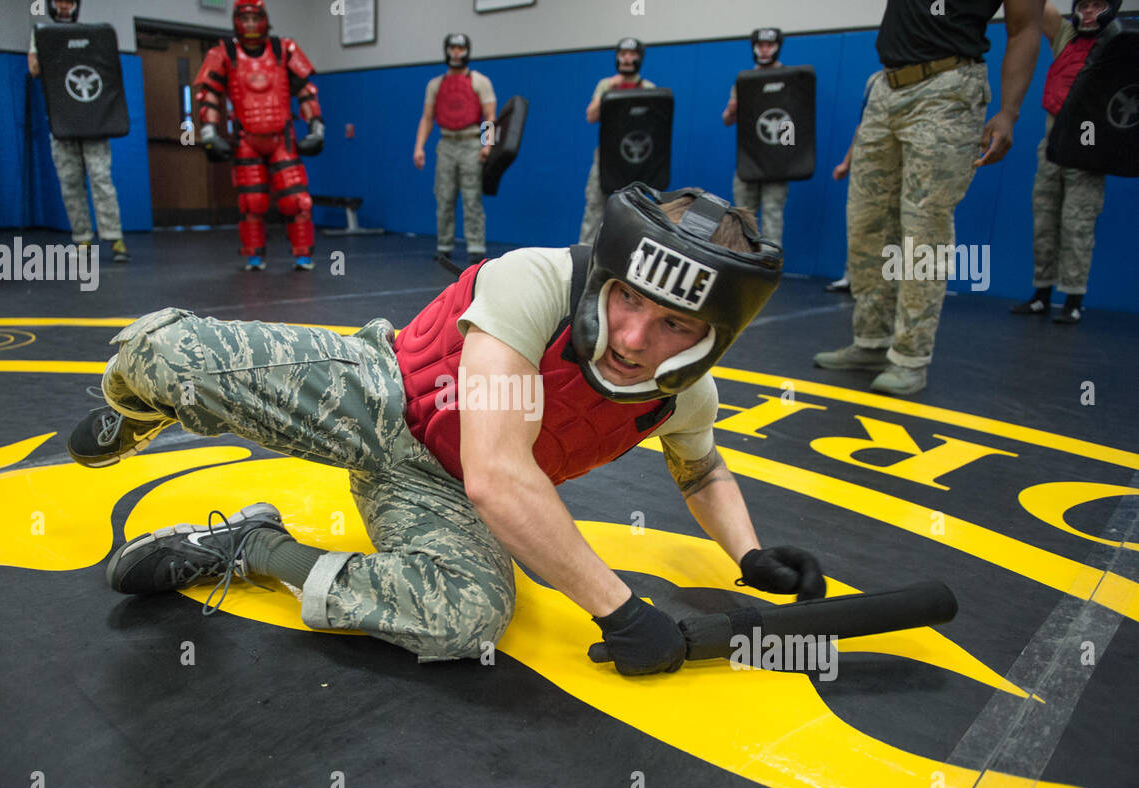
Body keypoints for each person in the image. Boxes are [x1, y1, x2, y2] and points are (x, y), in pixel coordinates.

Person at [65, 184, 827, 676]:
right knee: (164, 354)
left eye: (672, 323)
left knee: (467, 618)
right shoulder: (535, 281)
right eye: (625, 298)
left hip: (444, 488)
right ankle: (144, 406)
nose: (630, 338)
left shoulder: (687, 394)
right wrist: (621, 610)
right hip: (384, 396)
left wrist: (749, 553)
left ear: (711, 338)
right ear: (607, 275)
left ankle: (246, 545)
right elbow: (499, 473)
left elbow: (702, 471)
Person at [814, 0, 1041, 396]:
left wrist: (1009, 111)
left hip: (948, 87)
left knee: (923, 229)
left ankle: (909, 357)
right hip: (886, 85)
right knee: (866, 224)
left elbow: (1026, 26)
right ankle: (871, 342)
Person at [192, 0, 324, 271]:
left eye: (255, 18)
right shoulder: (223, 53)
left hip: (282, 138)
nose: (250, 25)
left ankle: (303, 256)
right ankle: (254, 257)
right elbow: (209, 96)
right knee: (252, 203)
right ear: (236, 22)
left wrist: (317, 127)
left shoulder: (284, 49)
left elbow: (305, 91)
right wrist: (208, 131)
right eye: (245, 19)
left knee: (297, 201)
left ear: (264, 19)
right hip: (246, 140)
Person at [1010, 0, 1117, 324]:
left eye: (1098, 6)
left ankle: (1073, 300)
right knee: (1044, 221)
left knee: (1078, 226)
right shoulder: (1066, 36)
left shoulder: (1118, 44)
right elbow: (1037, 7)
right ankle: (1041, 295)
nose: (1088, 13)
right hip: (1053, 146)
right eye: (1083, 5)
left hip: (1088, 152)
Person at [28, 0, 129, 263]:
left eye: (69, 1)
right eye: (59, 1)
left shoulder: (92, 35)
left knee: (101, 180)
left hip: (94, 123)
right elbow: (34, 69)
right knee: (70, 183)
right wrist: (56, 54)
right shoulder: (42, 35)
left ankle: (115, 237)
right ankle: (82, 238)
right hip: (63, 124)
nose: (64, 6)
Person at [413, 34, 496, 262]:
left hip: (470, 142)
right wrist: (419, 147)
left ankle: (476, 247)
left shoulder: (480, 81)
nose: (456, 53)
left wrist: (487, 144)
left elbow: (490, 115)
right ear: (447, 51)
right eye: (452, 48)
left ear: (467, 50)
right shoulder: (436, 85)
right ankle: (444, 245)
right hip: (446, 143)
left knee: (472, 197)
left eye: (460, 48)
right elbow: (427, 118)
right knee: (444, 196)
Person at [578, 38, 657, 246]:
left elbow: (655, 127)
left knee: (634, 210)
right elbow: (591, 117)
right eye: (622, 54)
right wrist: (608, 92)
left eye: (631, 54)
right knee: (595, 206)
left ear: (639, 58)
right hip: (607, 156)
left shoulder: (648, 88)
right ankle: (584, 256)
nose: (626, 59)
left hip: (635, 157)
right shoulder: (605, 84)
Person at [722, 28, 788, 247]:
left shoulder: (789, 79)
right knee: (742, 217)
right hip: (749, 159)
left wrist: (788, 153)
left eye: (769, 45)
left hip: (777, 161)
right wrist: (732, 110)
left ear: (777, 47)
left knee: (772, 217)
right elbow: (727, 119)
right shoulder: (745, 80)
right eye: (760, 45)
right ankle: (742, 266)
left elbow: (798, 121)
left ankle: (769, 269)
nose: (765, 50)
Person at [826, 71, 886, 294]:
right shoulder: (874, 80)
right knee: (860, 221)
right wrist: (846, 162)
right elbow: (862, 127)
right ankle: (852, 277)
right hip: (869, 162)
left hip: (900, 161)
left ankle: (889, 281)